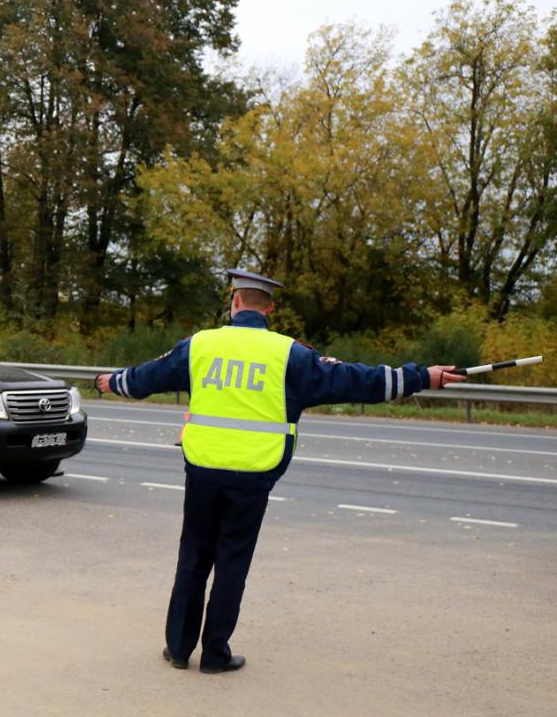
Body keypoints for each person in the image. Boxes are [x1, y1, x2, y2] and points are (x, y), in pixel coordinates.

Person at [94, 269, 464, 675]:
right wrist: (421, 377)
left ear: (234, 303)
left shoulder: (201, 345)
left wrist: (112, 382)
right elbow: (359, 381)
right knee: (232, 561)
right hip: (255, 471)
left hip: (202, 468)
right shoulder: (292, 354)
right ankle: (215, 655)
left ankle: (179, 649)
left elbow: (147, 377)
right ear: (269, 308)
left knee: (194, 556)